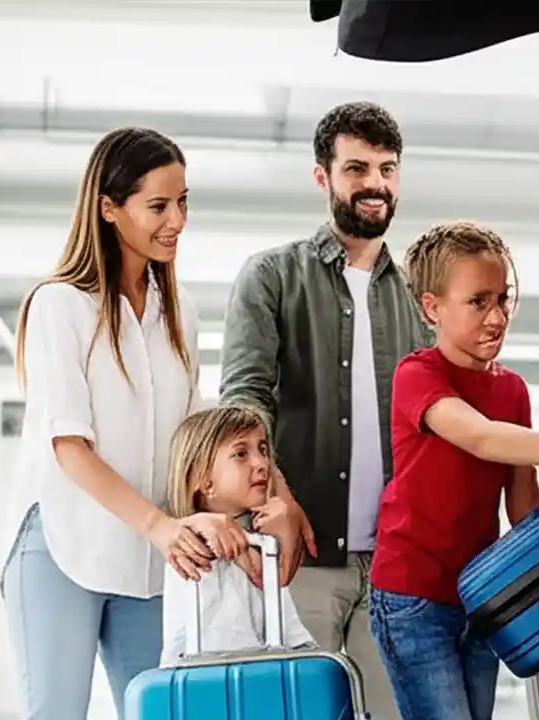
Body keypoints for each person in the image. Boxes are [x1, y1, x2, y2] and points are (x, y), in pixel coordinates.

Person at [0, 127, 309, 719]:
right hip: (62, 544)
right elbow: (69, 446)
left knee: (164, 710)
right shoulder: (60, 306)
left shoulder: (179, 312)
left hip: (148, 559)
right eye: (159, 206)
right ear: (109, 208)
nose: (177, 221)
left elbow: (196, 436)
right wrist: (163, 527)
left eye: (183, 202)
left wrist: (261, 510)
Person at [369, 221, 539, 720]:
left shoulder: (513, 390)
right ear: (432, 308)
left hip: (479, 598)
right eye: (478, 302)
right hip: (412, 601)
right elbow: (481, 436)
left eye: (504, 299)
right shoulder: (417, 376)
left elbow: (523, 503)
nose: (497, 317)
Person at [219, 101, 429, 720]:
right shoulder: (272, 276)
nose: (375, 184)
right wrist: (276, 502)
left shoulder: (421, 291)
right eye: (357, 167)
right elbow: (244, 402)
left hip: (396, 562)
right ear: (323, 176)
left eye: (388, 169)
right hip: (302, 560)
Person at [160, 404, 317, 664]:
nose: (262, 464)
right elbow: (221, 648)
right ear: (204, 481)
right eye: (241, 454)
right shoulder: (189, 550)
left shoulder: (263, 547)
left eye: (263, 450)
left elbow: (296, 641)